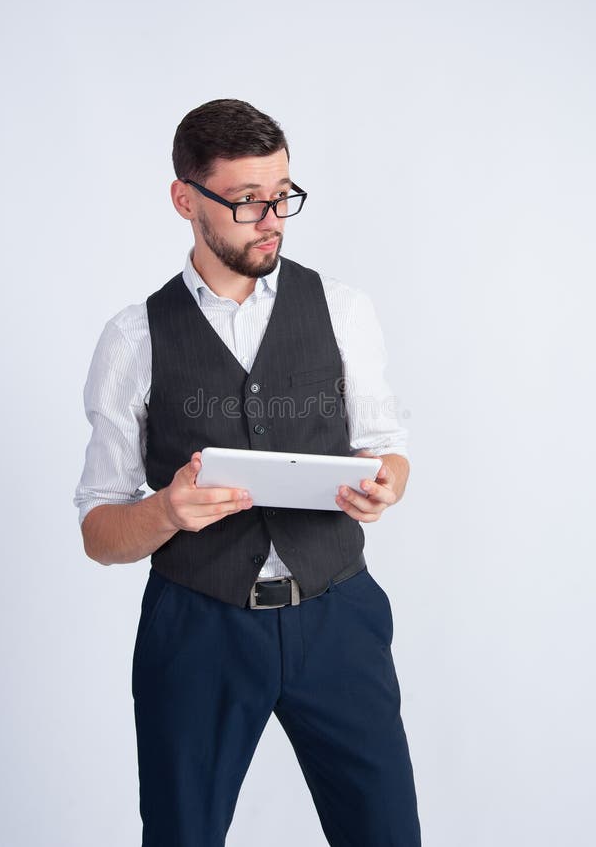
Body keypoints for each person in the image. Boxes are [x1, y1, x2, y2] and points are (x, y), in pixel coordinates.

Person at [74, 99, 422, 846]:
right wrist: (165, 511)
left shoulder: (341, 308)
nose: (271, 218)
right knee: (181, 835)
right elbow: (100, 532)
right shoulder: (134, 339)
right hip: (195, 628)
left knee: (386, 832)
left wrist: (386, 483)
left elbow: (387, 447)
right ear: (184, 200)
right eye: (245, 201)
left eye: (282, 196)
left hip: (338, 616)